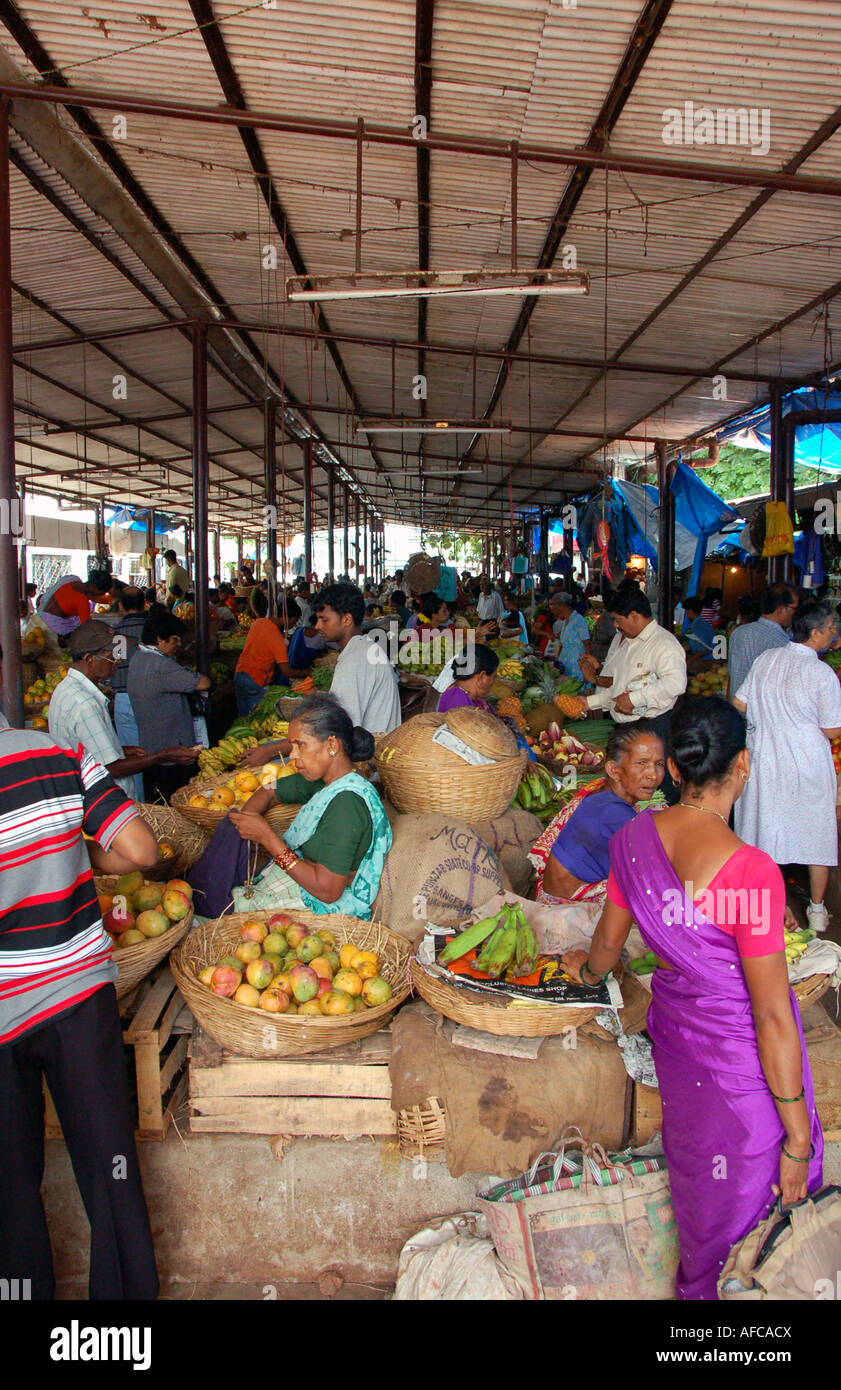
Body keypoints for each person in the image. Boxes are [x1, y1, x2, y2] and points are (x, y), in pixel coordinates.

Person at [562, 697, 823, 1299]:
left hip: (681, 1048)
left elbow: (605, 948)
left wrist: (583, 969)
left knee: (705, 1200)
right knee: (754, 1224)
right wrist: (797, 1136)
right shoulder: (751, 871)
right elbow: (772, 1014)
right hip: (743, 1073)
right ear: (744, 765)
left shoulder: (632, 838)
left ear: (674, 770)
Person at [0, 724, 161, 1300]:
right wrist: (72, 843)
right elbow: (142, 850)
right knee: (108, 1162)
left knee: (11, 1187)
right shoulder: (58, 753)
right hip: (76, 992)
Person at [732, 599, 841, 934]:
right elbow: (832, 730)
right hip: (806, 764)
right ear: (818, 631)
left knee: (765, 831)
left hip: (764, 759)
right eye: (832, 626)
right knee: (816, 835)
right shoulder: (821, 672)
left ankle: (763, 905)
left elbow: (738, 702)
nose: (835, 632)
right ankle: (817, 909)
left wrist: (768, 723)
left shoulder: (768, 659)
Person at [229, 695, 392, 917]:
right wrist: (248, 817)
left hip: (324, 906)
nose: (292, 757)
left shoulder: (347, 805)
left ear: (332, 745)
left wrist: (267, 837)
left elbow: (328, 891)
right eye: (291, 746)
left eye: (300, 745)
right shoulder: (323, 781)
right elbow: (269, 790)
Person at [48, 620, 197, 801]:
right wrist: (162, 756)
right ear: (89, 659)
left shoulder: (65, 689)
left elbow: (84, 749)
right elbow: (111, 767)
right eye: (112, 655)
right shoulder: (85, 704)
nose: (118, 660)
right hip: (103, 801)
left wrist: (120, 749)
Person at [530, 724, 665, 904]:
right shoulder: (614, 812)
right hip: (563, 905)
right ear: (613, 770)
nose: (653, 775)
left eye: (659, 764)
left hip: (552, 890)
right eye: (641, 763)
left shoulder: (599, 791)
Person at [127, 612, 207, 801]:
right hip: (172, 753)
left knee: (158, 802)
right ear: (159, 639)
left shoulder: (138, 658)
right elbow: (203, 683)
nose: (178, 644)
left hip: (152, 746)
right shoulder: (160, 665)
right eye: (174, 639)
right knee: (177, 802)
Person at [111, 587, 151, 800]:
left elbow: (117, 663)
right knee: (155, 752)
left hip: (125, 697)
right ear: (144, 603)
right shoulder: (150, 628)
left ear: (120, 605)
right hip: (152, 697)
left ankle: (140, 805)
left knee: (133, 757)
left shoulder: (118, 633)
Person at [234, 590, 302, 715]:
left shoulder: (258, 623)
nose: (294, 625)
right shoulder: (277, 638)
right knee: (255, 716)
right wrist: (307, 672)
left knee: (243, 716)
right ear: (288, 618)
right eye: (294, 621)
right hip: (256, 679)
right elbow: (286, 671)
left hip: (240, 673)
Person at [726, 583, 797, 697]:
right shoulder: (782, 641)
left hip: (737, 708)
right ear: (781, 609)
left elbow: (731, 676)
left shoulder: (738, 632)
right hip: (761, 712)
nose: (795, 613)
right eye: (794, 608)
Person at [36, 570, 113, 638]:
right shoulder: (82, 601)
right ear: (95, 587)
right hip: (52, 627)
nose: (99, 595)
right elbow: (86, 628)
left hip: (39, 617)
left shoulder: (72, 580)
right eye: (101, 593)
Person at [437, 644, 499, 714]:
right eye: (494, 676)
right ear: (482, 677)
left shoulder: (467, 695)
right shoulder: (458, 703)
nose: (493, 682)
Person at [548, 590, 590, 679]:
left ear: (562, 605)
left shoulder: (578, 620)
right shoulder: (564, 622)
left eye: (554, 604)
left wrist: (588, 667)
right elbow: (563, 645)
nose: (552, 607)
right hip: (565, 663)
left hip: (577, 664)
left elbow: (587, 644)